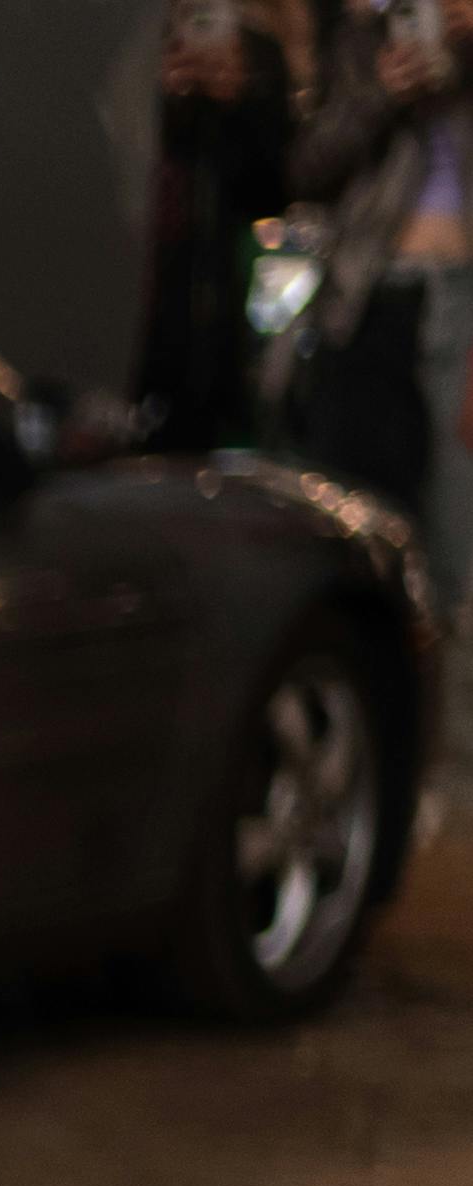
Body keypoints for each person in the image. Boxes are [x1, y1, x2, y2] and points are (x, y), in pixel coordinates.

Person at [292, 0, 473, 767]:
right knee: (365, 534)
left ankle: (452, 753)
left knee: (457, 537)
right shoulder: (354, 36)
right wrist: (380, 92)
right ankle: (384, 748)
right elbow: (303, 171)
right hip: (369, 296)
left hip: (461, 298)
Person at [142, 0, 307, 451]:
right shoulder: (124, 46)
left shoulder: (255, 52)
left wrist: (238, 101)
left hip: (206, 323)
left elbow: (274, 191)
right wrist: (152, 96)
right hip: (118, 311)